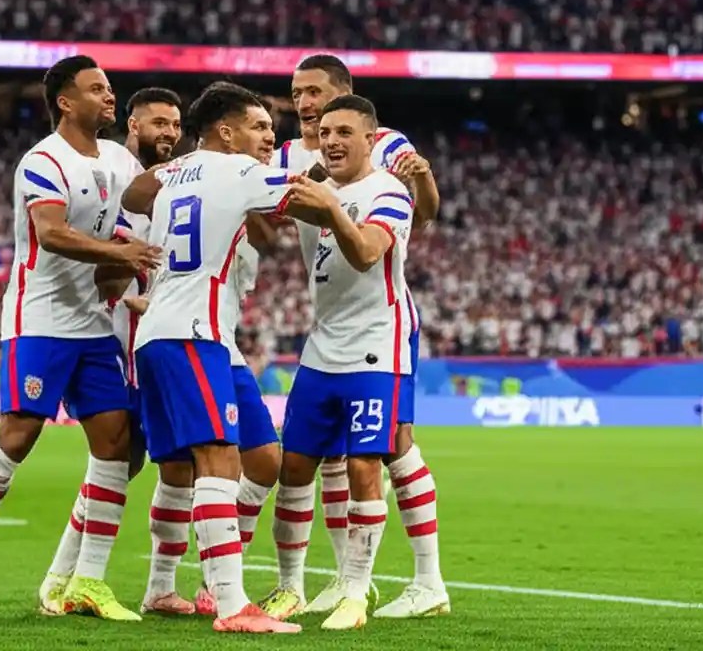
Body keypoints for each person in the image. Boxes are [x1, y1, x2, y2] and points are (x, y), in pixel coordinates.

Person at [0, 55, 161, 623]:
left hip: (94, 323)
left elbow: (147, 199)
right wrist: (122, 254)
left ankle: (87, 581)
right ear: (66, 102)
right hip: (39, 319)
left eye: (110, 87)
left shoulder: (119, 159)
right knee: (18, 436)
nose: (110, 97)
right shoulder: (43, 160)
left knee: (115, 445)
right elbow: (52, 233)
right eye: (97, 88)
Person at [127, 81, 314, 634]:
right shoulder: (237, 170)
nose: (270, 138)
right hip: (191, 333)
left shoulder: (181, 172)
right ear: (226, 133)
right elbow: (307, 194)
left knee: (261, 460)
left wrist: (176, 166)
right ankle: (231, 604)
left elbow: (135, 195)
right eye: (260, 127)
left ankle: (166, 588)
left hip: (192, 335)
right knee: (216, 459)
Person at [274, 54, 448, 618]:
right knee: (311, 460)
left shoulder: (385, 153)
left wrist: (421, 182)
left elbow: (420, 215)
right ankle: (325, 581)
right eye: (297, 94)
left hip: (381, 332)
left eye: (315, 92)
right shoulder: (288, 156)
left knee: (387, 451)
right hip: (324, 333)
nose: (305, 103)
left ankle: (417, 581)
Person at [258, 95, 418, 630]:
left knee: (363, 467)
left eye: (345, 132)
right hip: (321, 349)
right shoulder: (313, 188)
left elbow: (367, 252)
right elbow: (262, 212)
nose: (331, 141)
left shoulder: (388, 192)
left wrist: (327, 205)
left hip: (375, 349)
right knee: (294, 468)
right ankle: (290, 587)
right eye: (325, 132)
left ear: (371, 139)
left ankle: (354, 590)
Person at [35, 86, 184, 616]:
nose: (169, 133)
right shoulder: (117, 183)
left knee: (124, 464)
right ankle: (66, 580)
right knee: (116, 461)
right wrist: (132, 283)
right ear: (133, 126)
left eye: (175, 125)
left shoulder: (169, 189)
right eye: (159, 123)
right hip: (118, 346)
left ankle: (62, 581)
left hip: (149, 347)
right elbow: (102, 274)